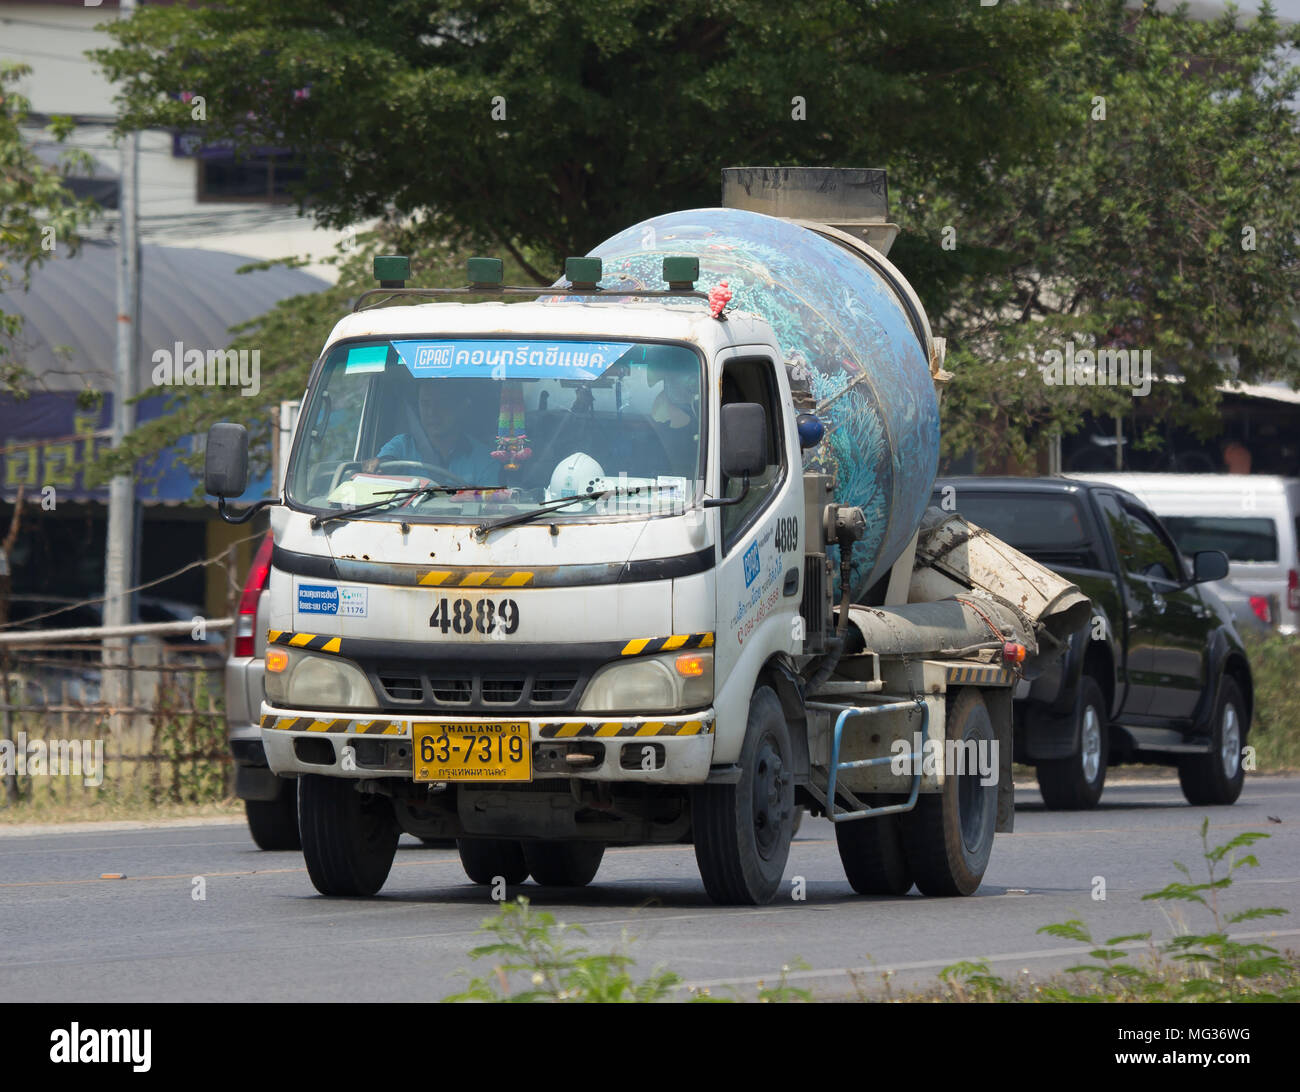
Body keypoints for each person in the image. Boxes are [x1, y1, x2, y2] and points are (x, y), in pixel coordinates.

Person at [364, 379, 497, 484]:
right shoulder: (402, 445)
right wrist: (378, 466)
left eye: (442, 404)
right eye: (425, 404)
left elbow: (492, 509)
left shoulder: (485, 460)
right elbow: (384, 463)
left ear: (461, 408)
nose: (432, 413)